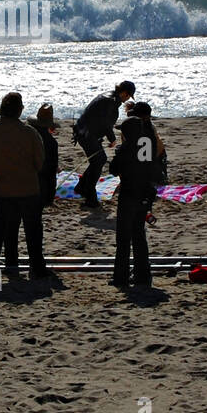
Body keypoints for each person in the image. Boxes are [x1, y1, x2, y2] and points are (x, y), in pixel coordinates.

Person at [0, 92, 48, 280]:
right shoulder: (29, 133)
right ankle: (36, 268)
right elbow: (40, 162)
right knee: (33, 231)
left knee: (0, 230)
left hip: (3, 189)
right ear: (20, 110)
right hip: (28, 189)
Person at [109, 114, 161, 288]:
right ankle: (142, 275)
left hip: (129, 193)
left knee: (123, 238)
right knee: (139, 235)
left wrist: (117, 155)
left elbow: (113, 170)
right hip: (145, 193)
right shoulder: (148, 144)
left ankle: (121, 277)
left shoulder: (126, 148)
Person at [72, 81, 135, 207]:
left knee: (98, 160)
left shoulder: (110, 98)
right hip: (86, 134)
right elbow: (105, 122)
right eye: (128, 95)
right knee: (99, 161)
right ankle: (90, 196)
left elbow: (102, 120)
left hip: (87, 132)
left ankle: (81, 187)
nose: (127, 98)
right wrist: (112, 139)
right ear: (123, 92)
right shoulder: (110, 100)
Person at [29, 103, 60, 210]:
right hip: (40, 189)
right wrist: (50, 198)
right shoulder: (51, 142)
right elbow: (51, 173)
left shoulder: (27, 135)